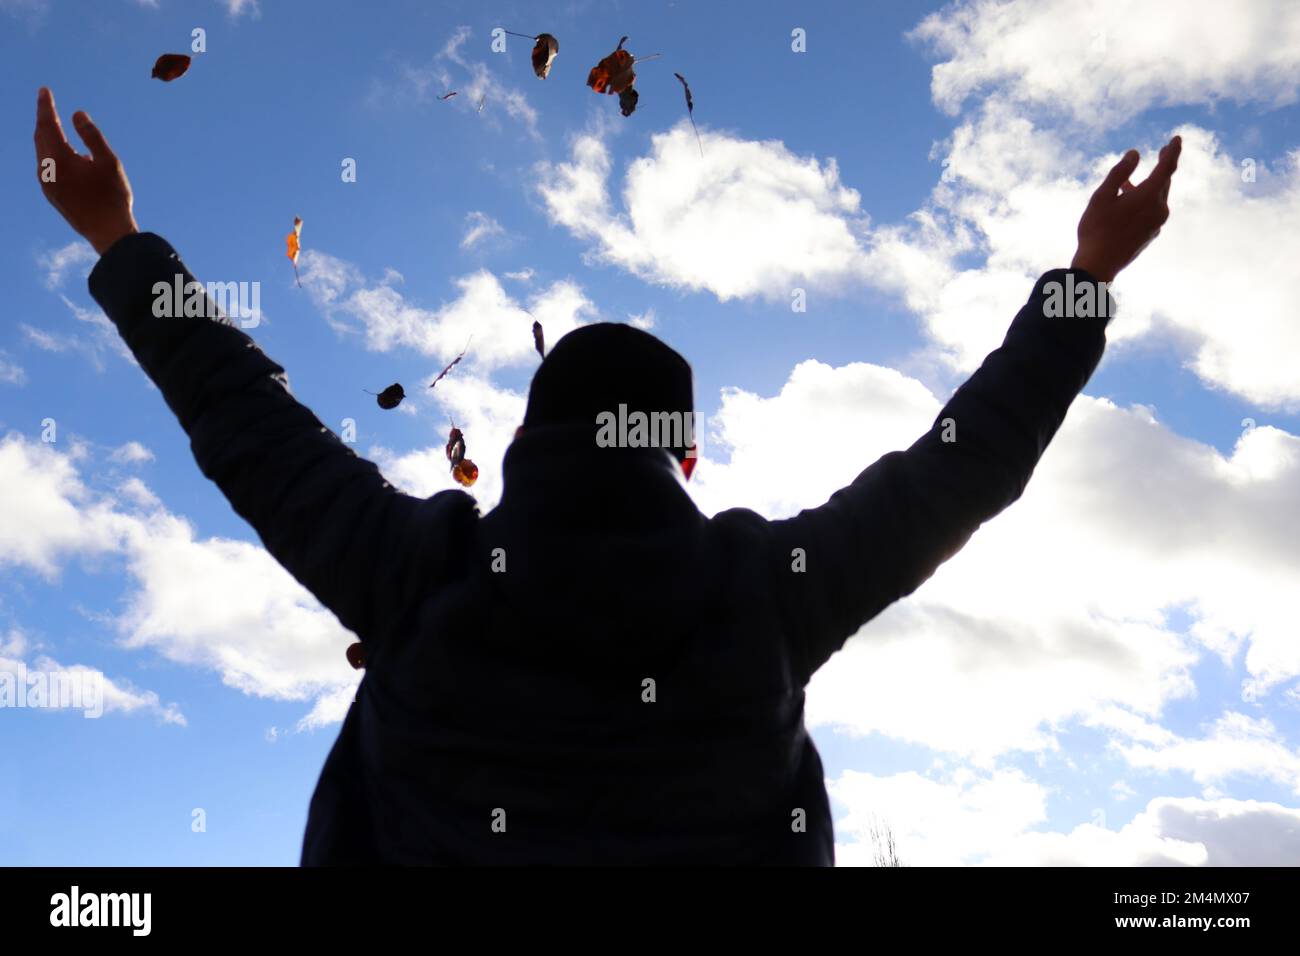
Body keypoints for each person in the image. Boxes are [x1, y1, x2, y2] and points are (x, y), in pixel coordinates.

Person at [33, 87, 1180, 865]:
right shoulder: (769, 590)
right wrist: (1084, 276)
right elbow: (962, 465)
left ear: (533, 434)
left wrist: (120, 239)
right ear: (680, 452)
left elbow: (245, 419)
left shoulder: (416, 573)